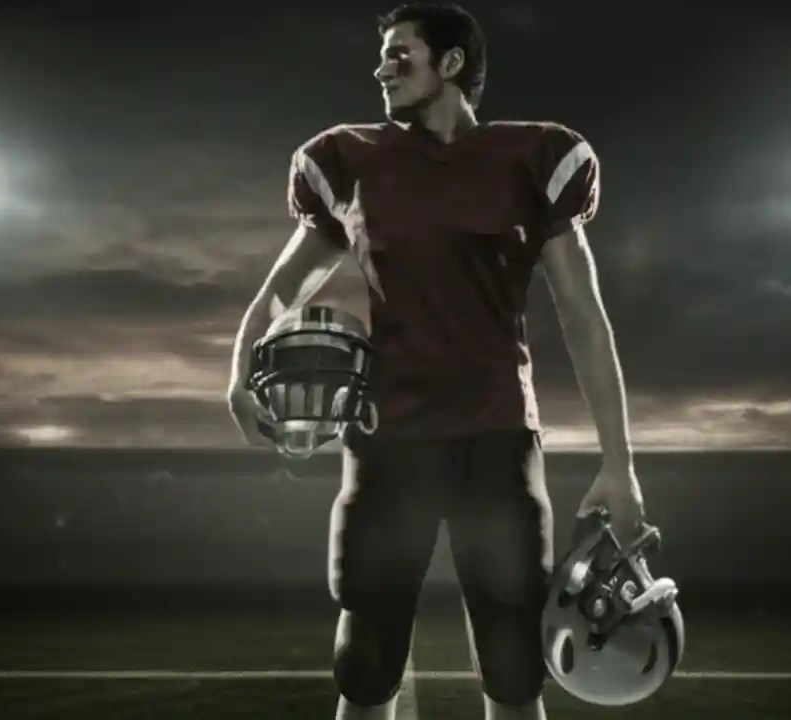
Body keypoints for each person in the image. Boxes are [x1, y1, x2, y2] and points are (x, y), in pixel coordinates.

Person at [228, 4, 647, 718]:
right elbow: (281, 291)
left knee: (515, 667)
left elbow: (583, 316)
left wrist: (620, 460)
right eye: (382, 56)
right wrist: (240, 370)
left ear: (452, 64)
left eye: (400, 54)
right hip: (388, 438)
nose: (381, 69)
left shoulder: (534, 158)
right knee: (365, 663)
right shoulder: (352, 161)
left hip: (497, 437)